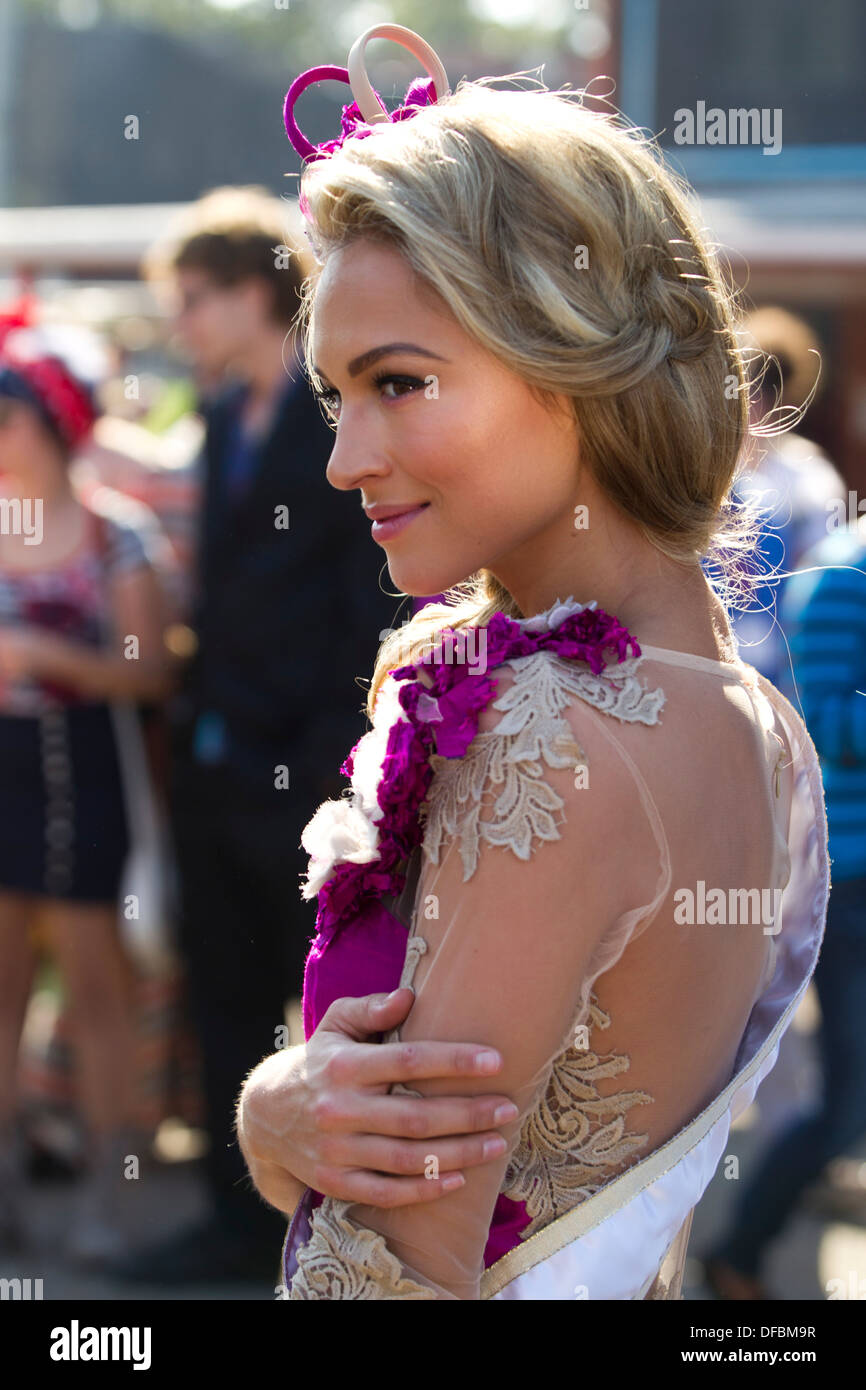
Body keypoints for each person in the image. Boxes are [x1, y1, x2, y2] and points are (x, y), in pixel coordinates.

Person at [234, 25, 830, 1301]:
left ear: (574, 362)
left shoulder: (558, 727)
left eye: (400, 383)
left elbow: (392, 1262)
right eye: (337, 394)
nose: (344, 460)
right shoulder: (743, 712)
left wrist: (270, 1123)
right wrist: (287, 1117)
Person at [111, 187, 397, 1284]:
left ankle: (330, 1238)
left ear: (250, 292)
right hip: (216, 761)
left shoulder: (335, 408)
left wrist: (334, 761)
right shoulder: (219, 412)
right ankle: (237, 1231)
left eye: (192, 299)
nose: (177, 324)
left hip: (314, 772)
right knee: (222, 999)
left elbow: (370, 600)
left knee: (324, 1002)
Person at [0, 324, 171, 1263]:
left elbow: (150, 675)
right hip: (5, 768)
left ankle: (113, 1194)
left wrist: (47, 658)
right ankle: (8, 1194)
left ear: (51, 423)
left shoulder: (116, 535)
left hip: (80, 772)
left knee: (98, 989)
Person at [703, 515, 866, 1299]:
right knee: (848, 1101)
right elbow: (823, 719)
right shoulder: (841, 574)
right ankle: (738, 1249)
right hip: (856, 878)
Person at [728, 307, 845, 688]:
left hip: (785, 657)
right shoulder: (706, 475)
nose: (752, 404)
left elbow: (822, 572)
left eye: (762, 391)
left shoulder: (808, 474)